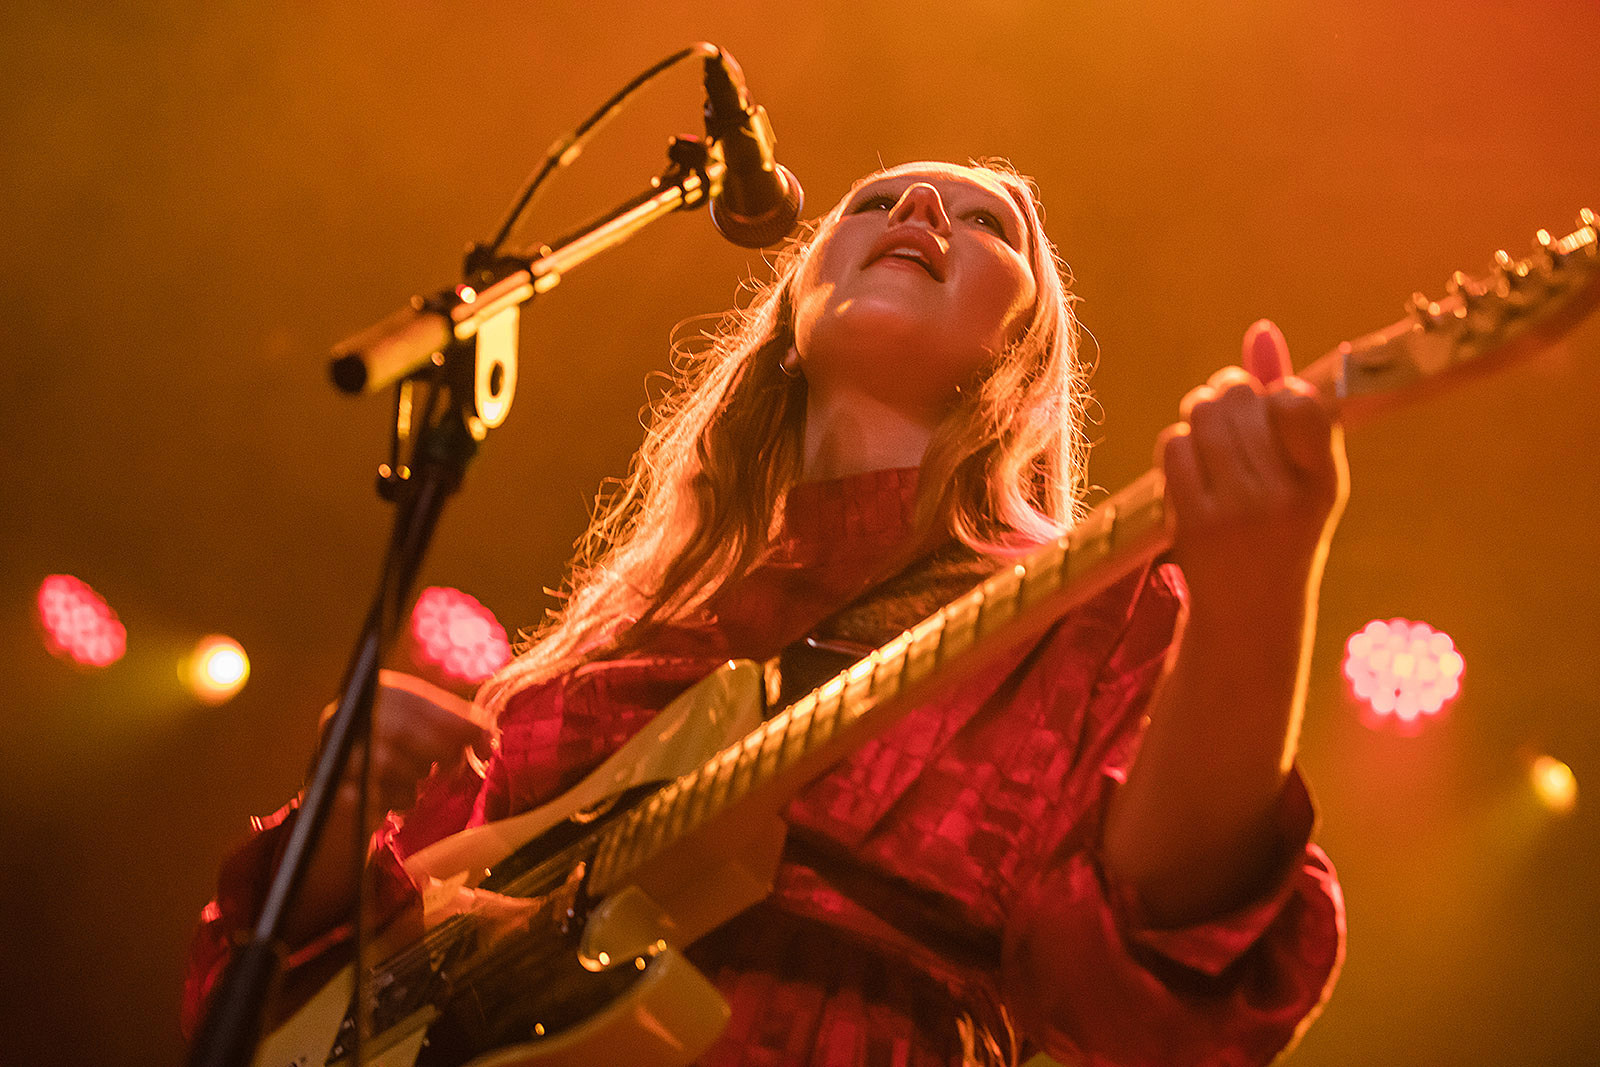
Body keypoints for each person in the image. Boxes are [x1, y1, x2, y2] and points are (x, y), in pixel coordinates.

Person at [185, 159, 1346, 1066]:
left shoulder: (1092, 603)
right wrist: (336, 838)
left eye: (984, 223)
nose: (923, 215)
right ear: (794, 302)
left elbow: (1144, 989)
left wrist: (1259, 588)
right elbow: (336, 988)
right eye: (878, 200)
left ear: (1025, 350)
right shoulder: (625, 636)